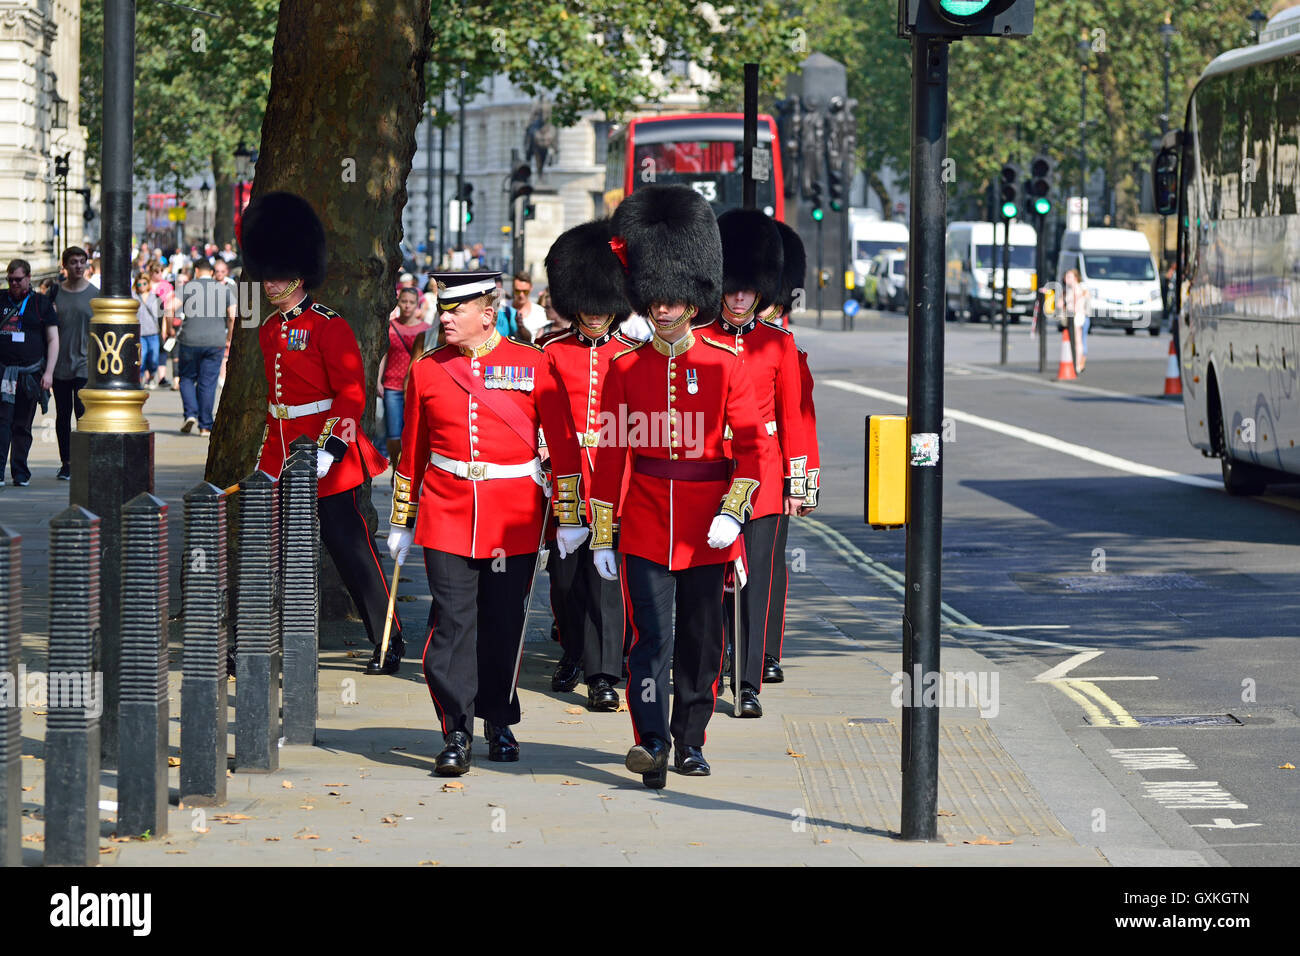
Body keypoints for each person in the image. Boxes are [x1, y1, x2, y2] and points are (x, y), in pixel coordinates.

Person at [589, 184, 770, 788]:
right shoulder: (625, 367)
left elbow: (751, 449)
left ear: (693, 299)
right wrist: (603, 532)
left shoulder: (726, 364)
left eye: (672, 300)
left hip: (707, 521)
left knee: (700, 638)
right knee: (651, 640)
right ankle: (650, 740)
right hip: (643, 521)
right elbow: (613, 453)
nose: (662, 310)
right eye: (654, 300)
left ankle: (690, 739)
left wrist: (735, 510)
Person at [385, 270, 586, 776]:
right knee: (452, 625)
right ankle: (456, 728)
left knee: (501, 625)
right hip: (446, 511)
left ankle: (497, 719)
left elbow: (562, 444)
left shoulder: (532, 363)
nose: (445, 318)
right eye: (442, 308)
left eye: (455, 310)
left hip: (511, 515)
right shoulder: (428, 370)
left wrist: (568, 515)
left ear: (486, 313)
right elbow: (414, 449)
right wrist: (403, 519)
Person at [241, 190, 403, 676]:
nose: (270, 283)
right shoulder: (271, 329)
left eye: (277, 274)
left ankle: (387, 639)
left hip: (331, 458)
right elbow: (279, 405)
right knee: (274, 554)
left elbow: (351, 392)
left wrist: (330, 447)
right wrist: (267, 462)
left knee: (350, 550)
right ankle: (268, 641)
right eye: (266, 273)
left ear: (299, 272)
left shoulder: (329, 325)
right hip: (284, 455)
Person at [698, 210, 809, 711]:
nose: (740, 296)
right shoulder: (698, 339)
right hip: (710, 472)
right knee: (711, 575)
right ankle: (715, 662)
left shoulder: (778, 345)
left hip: (762, 474)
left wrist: (799, 483)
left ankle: (747, 683)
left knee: (756, 576)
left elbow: (795, 420)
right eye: (732, 287)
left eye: (748, 289)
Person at [541, 219, 635, 710]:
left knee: (605, 577)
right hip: (567, 477)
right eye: (587, 305)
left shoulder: (633, 354)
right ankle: (573, 651)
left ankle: (603, 673)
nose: (595, 315)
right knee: (565, 577)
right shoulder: (551, 352)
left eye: (603, 306)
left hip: (616, 480)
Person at [0, 259, 58, 487]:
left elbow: (53, 339)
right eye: (10, 279)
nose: (13, 283)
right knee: (2, 422)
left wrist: (49, 373)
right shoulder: (1, 299)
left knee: (22, 424)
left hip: (30, 375)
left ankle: (20, 471)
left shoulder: (41, 303)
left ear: (28, 278)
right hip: (4, 373)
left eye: (18, 279)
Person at [176, 258, 235, 436]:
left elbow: (169, 307)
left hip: (189, 340)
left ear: (196, 270)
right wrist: (229, 337)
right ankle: (205, 426)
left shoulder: (187, 288)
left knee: (186, 378)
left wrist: (172, 328)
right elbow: (233, 315)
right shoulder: (224, 289)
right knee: (208, 384)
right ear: (211, 272)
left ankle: (190, 413)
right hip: (215, 341)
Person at [52, 247, 96, 481]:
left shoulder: (95, 295)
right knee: (62, 416)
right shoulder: (55, 293)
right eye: (73, 262)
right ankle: (66, 462)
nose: (78, 266)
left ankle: (82, 459)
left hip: (84, 364)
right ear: (65, 266)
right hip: (59, 365)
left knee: (82, 414)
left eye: (82, 262)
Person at [377, 287, 425, 469]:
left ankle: (408, 467)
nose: (407, 306)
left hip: (415, 386)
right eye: (404, 301)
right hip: (392, 386)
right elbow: (383, 355)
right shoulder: (390, 327)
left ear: (417, 304)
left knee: (412, 431)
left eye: (411, 302)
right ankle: (398, 466)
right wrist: (379, 380)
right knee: (393, 433)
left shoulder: (424, 329)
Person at [133, 274, 166, 388]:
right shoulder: (134, 297)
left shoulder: (155, 297)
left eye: (144, 283)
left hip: (153, 333)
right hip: (140, 333)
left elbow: (162, 316)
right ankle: (140, 379)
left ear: (148, 284)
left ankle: (151, 376)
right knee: (141, 357)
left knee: (154, 358)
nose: (141, 286)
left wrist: (163, 331)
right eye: (139, 284)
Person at [510, 271, 548, 342]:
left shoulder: (540, 312)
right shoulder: (503, 308)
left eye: (525, 292)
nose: (521, 295)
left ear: (531, 288)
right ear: (513, 288)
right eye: (517, 291)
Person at [1064, 268, 1089, 372]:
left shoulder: (1076, 288)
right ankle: (1078, 363)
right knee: (1079, 340)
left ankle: (1077, 364)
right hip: (1078, 316)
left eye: (1069, 277)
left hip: (1077, 316)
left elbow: (1075, 304)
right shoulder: (1073, 288)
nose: (1066, 279)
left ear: (1075, 278)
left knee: (1078, 340)